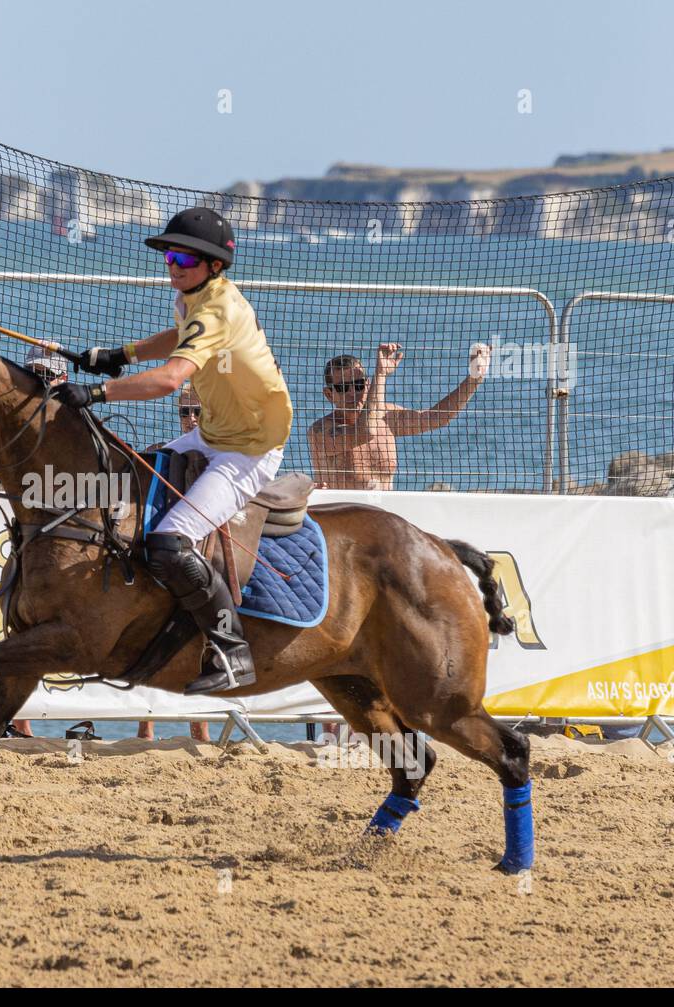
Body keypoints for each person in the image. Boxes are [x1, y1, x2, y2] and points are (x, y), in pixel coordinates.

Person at [55, 206, 293, 694]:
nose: (174, 264)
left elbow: (169, 380)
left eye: (186, 257)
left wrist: (96, 392)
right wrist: (119, 355)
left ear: (215, 265)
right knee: (126, 477)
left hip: (250, 449)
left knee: (169, 543)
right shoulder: (193, 298)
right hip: (212, 432)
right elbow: (180, 338)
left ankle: (233, 651)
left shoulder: (219, 308)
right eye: (169, 255)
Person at [307, 342, 489, 490]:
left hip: (384, 515)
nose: (353, 392)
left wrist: (474, 379)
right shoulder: (321, 432)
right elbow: (366, 431)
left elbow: (437, 418)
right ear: (329, 394)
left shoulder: (387, 418)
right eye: (343, 387)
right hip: (342, 519)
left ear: (368, 385)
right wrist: (381, 374)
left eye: (359, 384)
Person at [138, 383, 213, 739]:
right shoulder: (163, 453)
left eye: (198, 411)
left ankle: (200, 731)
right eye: (185, 411)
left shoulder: (224, 454)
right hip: (166, 555)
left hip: (203, 556)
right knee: (152, 639)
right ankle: (145, 730)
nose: (191, 418)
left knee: (200, 642)